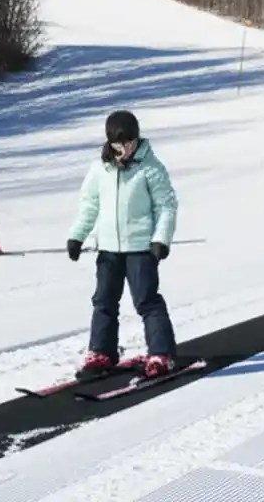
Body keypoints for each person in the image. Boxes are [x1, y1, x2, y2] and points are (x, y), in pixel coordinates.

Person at [66, 110, 180, 380]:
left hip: (141, 248)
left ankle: (161, 353)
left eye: (128, 143)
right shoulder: (99, 169)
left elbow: (166, 206)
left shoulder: (150, 168)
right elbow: (90, 206)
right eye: (118, 144)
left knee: (147, 301)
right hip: (108, 249)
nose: (124, 150)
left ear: (136, 139)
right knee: (103, 301)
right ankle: (101, 352)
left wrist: (160, 240)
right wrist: (77, 236)